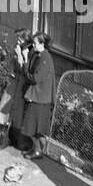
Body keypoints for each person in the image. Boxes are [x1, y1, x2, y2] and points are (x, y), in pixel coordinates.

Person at [20, 31, 55, 160]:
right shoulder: (37, 54)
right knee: (34, 126)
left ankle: (38, 151)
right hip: (37, 97)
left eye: (35, 43)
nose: (32, 45)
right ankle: (38, 148)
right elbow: (29, 70)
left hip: (40, 99)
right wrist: (26, 59)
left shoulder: (45, 58)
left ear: (42, 43)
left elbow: (34, 78)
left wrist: (24, 60)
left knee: (32, 126)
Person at [0, 31, 29, 147]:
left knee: (15, 110)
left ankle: (10, 137)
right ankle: (1, 132)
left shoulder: (27, 51)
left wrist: (20, 55)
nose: (17, 40)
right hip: (13, 81)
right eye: (17, 38)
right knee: (3, 106)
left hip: (21, 83)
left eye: (20, 39)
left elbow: (24, 69)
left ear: (25, 40)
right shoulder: (18, 48)